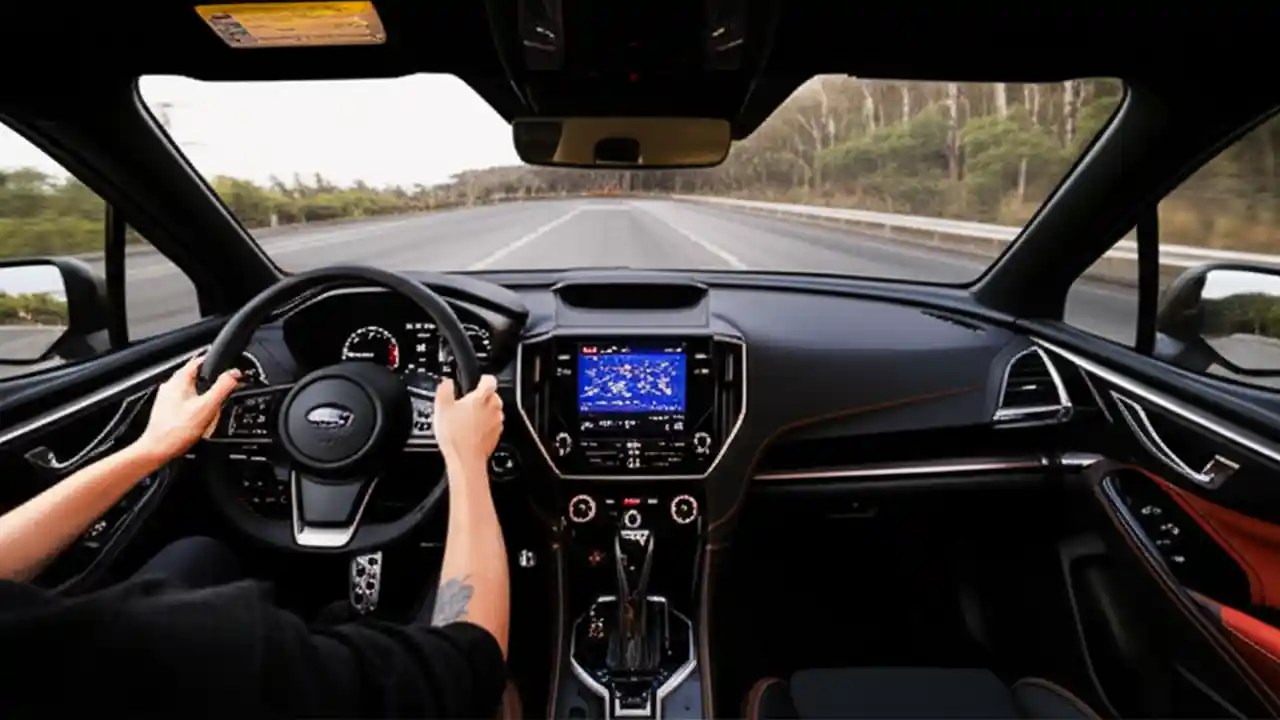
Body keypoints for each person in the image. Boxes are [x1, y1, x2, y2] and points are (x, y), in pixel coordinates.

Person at [0, 354, 510, 717]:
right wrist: (466, 461)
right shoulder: (197, 654)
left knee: (197, 555)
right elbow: (466, 664)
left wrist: (150, 449)